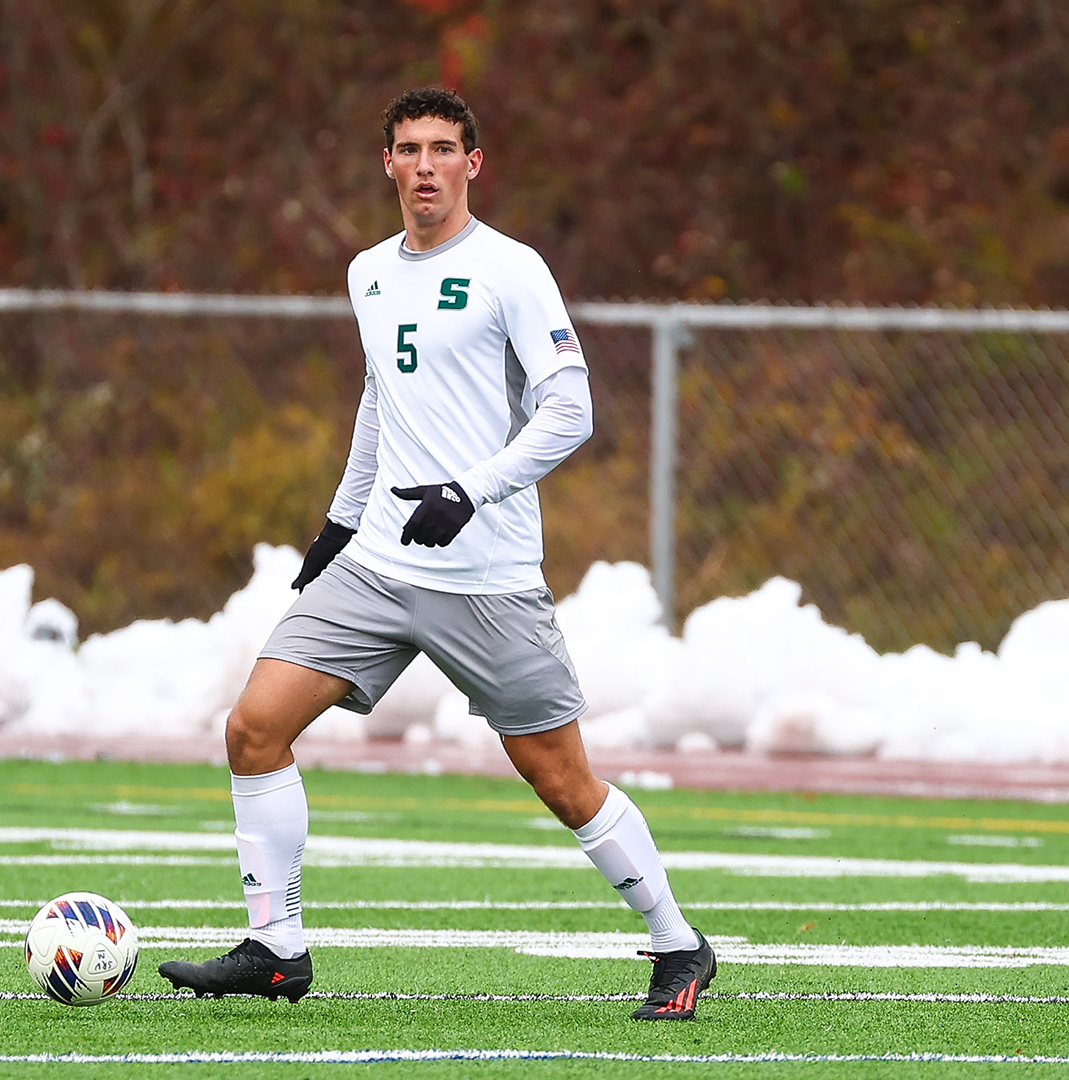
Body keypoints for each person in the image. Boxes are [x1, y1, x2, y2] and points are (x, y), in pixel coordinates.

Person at [156, 88, 717, 1020]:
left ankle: (678, 943)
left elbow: (571, 411)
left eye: (443, 149)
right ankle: (277, 947)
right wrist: (338, 525)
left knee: (562, 780)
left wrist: (471, 493)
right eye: (409, 149)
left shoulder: (512, 268)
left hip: (486, 575)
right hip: (379, 562)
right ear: (386, 163)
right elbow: (382, 403)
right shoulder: (368, 272)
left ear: (473, 164)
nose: (425, 165)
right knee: (253, 728)